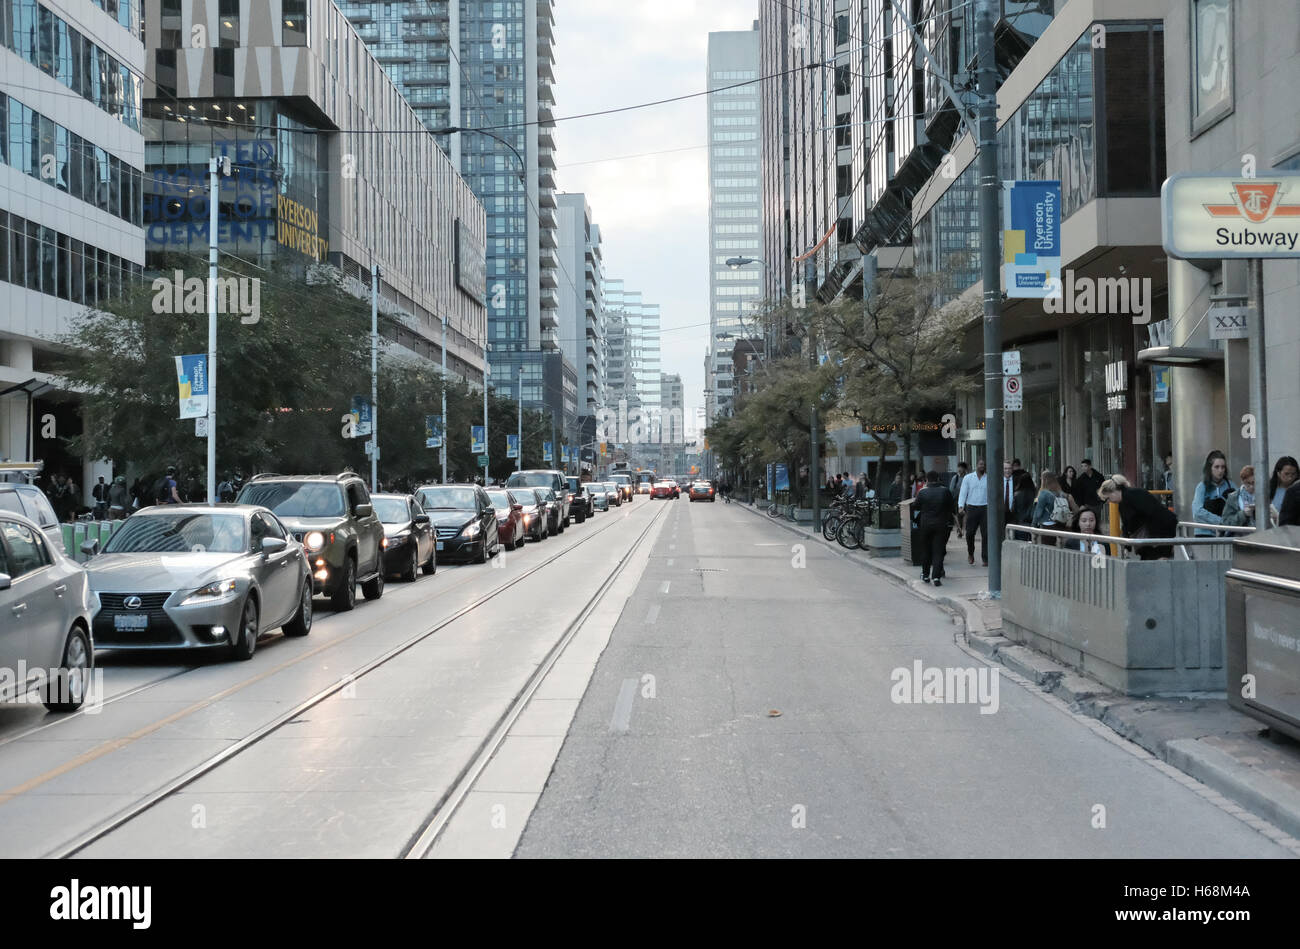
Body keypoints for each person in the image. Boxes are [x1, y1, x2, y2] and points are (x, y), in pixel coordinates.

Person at [1098, 474, 1178, 560]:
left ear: (1113, 491)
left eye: (1108, 498)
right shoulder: (1124, 501)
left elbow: (1155, 513)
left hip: (1156, 540)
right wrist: (1126, 547)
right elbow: (1126, 526)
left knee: (1153, 567)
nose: (1109, 502)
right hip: (1150, 542)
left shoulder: (1132, 496)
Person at [912, 470, 957, 586]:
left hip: (926, 525)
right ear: (938, 479)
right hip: (941, 525)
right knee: (938, 551)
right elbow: (952, 508)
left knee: (926, 550)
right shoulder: (945, 491)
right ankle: (936, 577)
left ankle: (925, 574)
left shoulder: (922, 492)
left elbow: (915, 506)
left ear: (926, 480)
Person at [1192, 449, 1234, 536]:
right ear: (1209, 468)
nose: (1220, 470)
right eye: (1217, 467)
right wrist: (1220, 522)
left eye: (1223, 467)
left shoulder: (1231, 486)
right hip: (1205, 534)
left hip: (1226, 535)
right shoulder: (1202, 487)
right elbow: (1197, 512)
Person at [957, 458, 989, 566]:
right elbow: (963, 493)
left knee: (986, 534)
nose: (982, 466)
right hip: (971, 508)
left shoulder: (988, 478)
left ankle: (985, 558)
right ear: (976, 465)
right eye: (980, 464)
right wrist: (961, 506)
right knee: (970, 533)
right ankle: (970, 553)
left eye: (983, 464)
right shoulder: (968, 478)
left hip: (985, 508)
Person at [1030, 471, 1075, 545]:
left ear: (1044, 480)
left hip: (1047, 526)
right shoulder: (1062, 494)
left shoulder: (1044, 493)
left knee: (1048, 551)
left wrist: (1033, 526)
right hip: (1062, 525)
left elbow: (1038, 513)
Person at [1267, 456, 1299, 526]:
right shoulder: (1269, 489)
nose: (1290, 477)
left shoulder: (1297, 491)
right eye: (1286, 474)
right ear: (1278, 473)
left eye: (1293, 474)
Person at [1010, 471, 1037, 541]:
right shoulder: (1034, 494)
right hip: (1031, 524)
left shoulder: (1017, 494)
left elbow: (1013, 510)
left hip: (1019, 523)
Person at [949, 462, 969, 538]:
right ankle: (959, 529)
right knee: (957, 515)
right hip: (956, 499)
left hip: (966, 499)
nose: (959, 469)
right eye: (958, 467)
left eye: (961, 467)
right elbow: (951, 489)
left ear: (964, 469)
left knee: (965, 514)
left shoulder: (968, 477)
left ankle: (963, 530)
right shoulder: (955, 478)